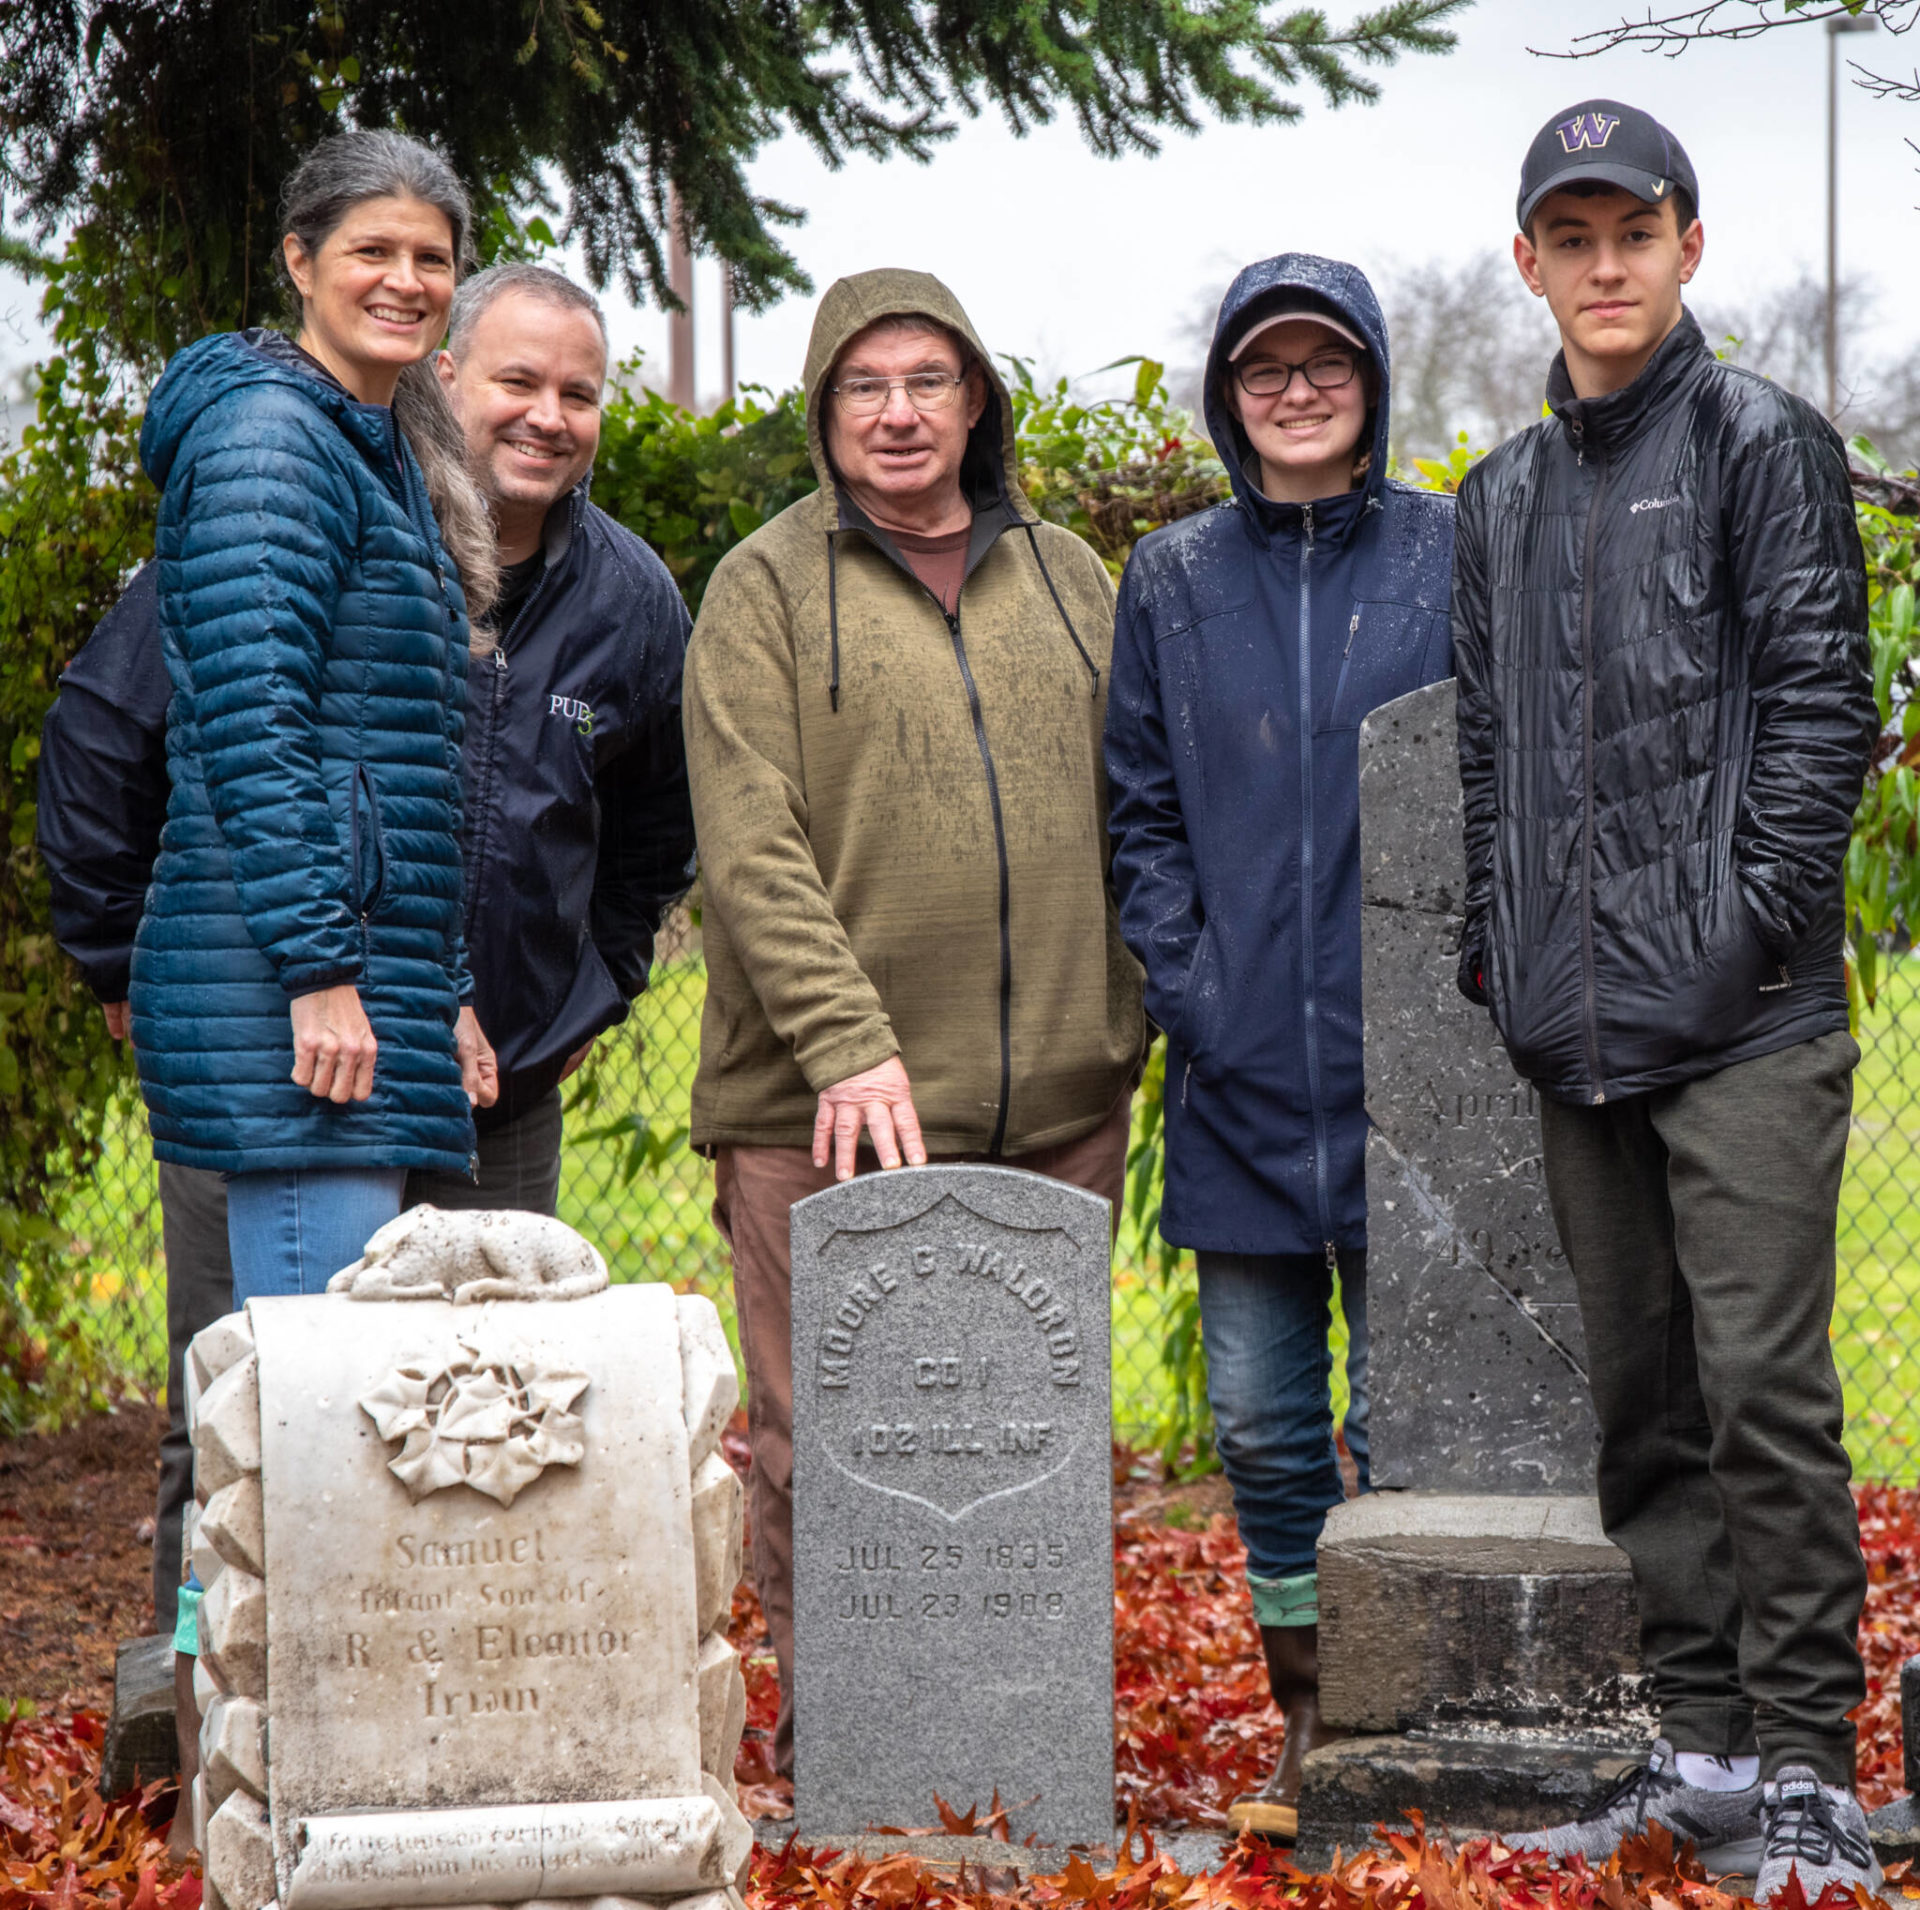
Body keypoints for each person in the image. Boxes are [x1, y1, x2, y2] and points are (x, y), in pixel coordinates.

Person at [38, 263, 694, 1634]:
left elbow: (650, 839)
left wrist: (581, 998)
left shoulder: (632, 599)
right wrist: (118, 961)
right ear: (448, 380)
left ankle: (432, 1702)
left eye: (579, 392)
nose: (547, 417)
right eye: (517, 380)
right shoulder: (305, 505)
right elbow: (104, 735)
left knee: (487, 1398)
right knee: (244, 1394)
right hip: (284, 1044)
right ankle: (205, 1707)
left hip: (491, 1080)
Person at [1452, 101, 1880, 1901]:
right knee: (1644, 1408)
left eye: (1637, 231)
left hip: (1750, 1023)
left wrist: (1746, 923)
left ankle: (1812, 1772)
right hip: (1579, 1035)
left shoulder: (1766, 443)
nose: (1605, 262)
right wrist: (1503, 943)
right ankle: (1702, 1753)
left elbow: (1819, 712)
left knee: (1764, 1393)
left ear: (1687, 248)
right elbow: (1489, 753)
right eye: (1574, 235)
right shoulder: (1499, 498)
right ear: (1531, 260)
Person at [683, 268, 1147, 1776]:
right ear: (825, 412)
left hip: (1058, 1108)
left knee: (1032, 1444)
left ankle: (1021, 1733)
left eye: (928, 381)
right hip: (830, 1110)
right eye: (864, 385)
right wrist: (843, 1036)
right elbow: (749, 842)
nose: (898, 412)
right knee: (827, 1442)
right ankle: (851, 1732)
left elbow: (1144, 806)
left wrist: (1123, 1020)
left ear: (977, 400)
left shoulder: (1074, 577)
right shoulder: (761, 588)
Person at [1105, 256, 1454, 1842]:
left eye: (1327, 362)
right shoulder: (1172, 579)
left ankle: (1402, 1711)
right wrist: (1199, 989)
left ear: (1372, 381)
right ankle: (1308, 1708)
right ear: (1228, 397)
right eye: (1266, 368)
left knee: (1401, 1415)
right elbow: (1143, 812)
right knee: (1256, 1416)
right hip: (1238, 1077)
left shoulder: (1450, 555)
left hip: (1416, 1079)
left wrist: (1452, 998)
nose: (1298, 388)